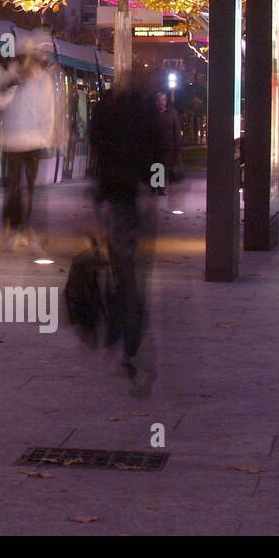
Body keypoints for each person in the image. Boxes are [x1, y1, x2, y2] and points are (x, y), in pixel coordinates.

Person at [89, 66, 162, 383]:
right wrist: (156, 189)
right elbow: (155, 154)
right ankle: (129, 331)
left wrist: (97, 195)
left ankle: (118, 318)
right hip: (133, 195)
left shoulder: (104, 109)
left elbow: (97, 152)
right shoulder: (146, 113)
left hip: (112, 195)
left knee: (119, 260)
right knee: (132, 265)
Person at [0, 30, 65, 252]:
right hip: (12, 141)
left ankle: (27, 229)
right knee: (14, 188)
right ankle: (14, 229)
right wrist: (11, 89)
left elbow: (48, 111)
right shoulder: (8, 76)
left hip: (34, 142)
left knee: (31, 189)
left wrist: (49, 136)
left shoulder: (43, 79)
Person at [154, 91, 182, 196]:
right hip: (155, 145)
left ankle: (160, 187)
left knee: (163, 166)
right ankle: (156, 186)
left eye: (163, 100)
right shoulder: (153, 115)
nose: (161, 102)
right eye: (159, 100)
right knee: (156, 165)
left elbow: (176, 130)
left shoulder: (171, 113)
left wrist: (177, 145)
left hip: (167, 145)